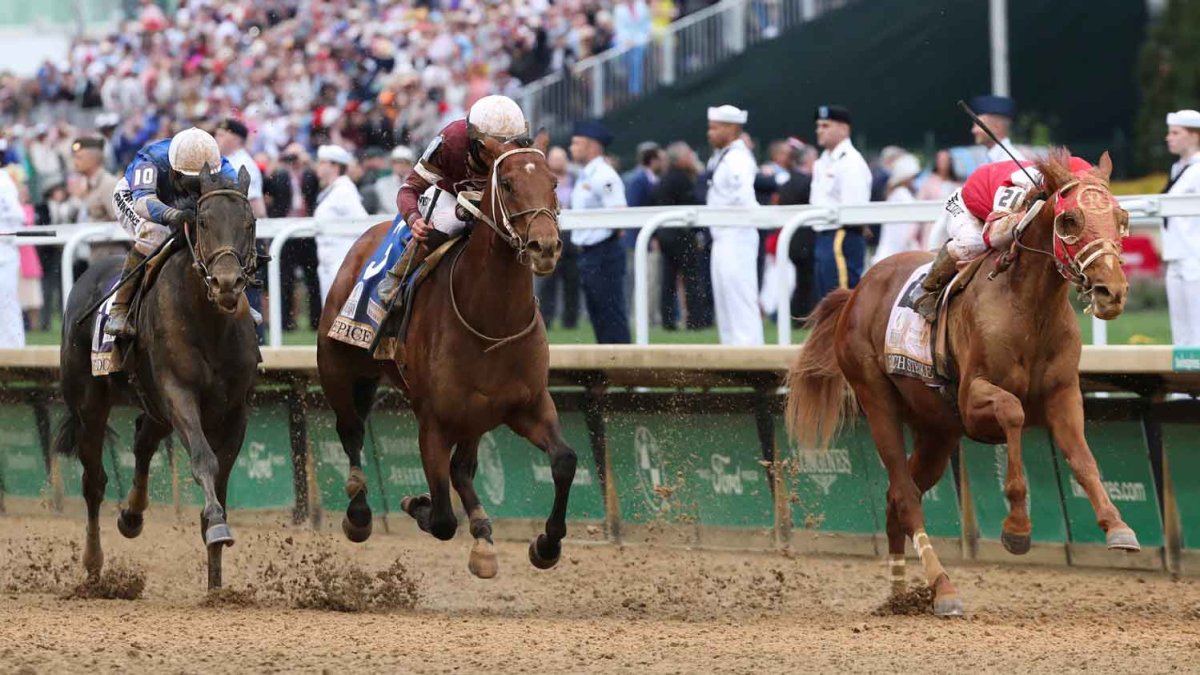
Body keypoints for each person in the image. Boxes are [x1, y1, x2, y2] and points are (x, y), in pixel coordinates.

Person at [376, 95, 532, 307]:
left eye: (509, 147)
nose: (498, 156)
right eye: (491, 149)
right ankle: (396, 277)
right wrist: (414, 218)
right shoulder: (451, 140)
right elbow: (409, 188)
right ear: (473, 141)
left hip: (495, 202)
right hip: (451, 197)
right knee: (452, 221)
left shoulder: (524, 152)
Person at [912, 155, 1094, 322]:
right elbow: (993, 235)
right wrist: (1030, 213)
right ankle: (926, 288)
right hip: (966, 207)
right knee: (973, 243)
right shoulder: (1021, 185)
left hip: (996, 202)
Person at [105, 127, 239, 338]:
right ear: (174, 173)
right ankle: (120, 307)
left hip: (179, 203)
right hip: (135, 196)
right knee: (153, 233)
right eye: (193, 181)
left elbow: (232, 204)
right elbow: (143, 204)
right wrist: (173, 215)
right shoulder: (150, 160)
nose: (197, 187)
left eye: (204, 180)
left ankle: (232, 294)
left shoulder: (222, 166)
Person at [705, 104, 763, 345]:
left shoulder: (737, 158)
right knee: (725, 299)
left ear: (732, 128)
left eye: (715, 128)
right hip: (722, 235)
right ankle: (732, 359)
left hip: (736, 234)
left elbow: (745, 196)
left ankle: (752, 357)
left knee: (739, 297)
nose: (709, 133)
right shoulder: (723, 156)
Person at [569, 119, 631, 344]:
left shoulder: (604, 175)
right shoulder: (587, 174)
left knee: (610, 311)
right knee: (597, 312)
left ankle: (624, 368)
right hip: (589, 253)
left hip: (604, 252)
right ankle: (608, 366)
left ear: (592, 146)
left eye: (577, 143)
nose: (571, 147)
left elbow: (618, 214)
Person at [810, 105, 872, 302]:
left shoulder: (850, 162)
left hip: (842, 236)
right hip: (824, 235)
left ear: (844, 129)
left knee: (840, 300)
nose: (819, 130)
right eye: (818, 125)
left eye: (826, 125)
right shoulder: (823, 161)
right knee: (826, 300)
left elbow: (853, 209)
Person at [653, 141, 711, 330]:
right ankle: (695, 320)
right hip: (681, 236)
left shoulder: (664, 178)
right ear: (679, 159)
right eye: (688, 155)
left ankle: (668, 321)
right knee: (692, 278)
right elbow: (692, 204)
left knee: (668, 280)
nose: (691, 158)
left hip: (665, 236)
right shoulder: (682, 178)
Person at [264, 144, 321, 332]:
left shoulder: (310, 175)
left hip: (307, 231)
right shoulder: (280, 176)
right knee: (284, 279)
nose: (294, 162)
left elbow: (319, 183)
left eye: (295, 158)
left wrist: (308, 162)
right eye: (291, 158)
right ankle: (285, 322)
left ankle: (316, 320)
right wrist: (277, 163)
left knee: (312, 278)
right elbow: (266, 187)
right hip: (285, 231)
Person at [1162, 109, 1200, 346]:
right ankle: (1184, 381)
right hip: (1176, 255)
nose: (1169, 137)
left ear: (1194, 135)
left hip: (1195, 256)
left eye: (1176, 133)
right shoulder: (1178, 169)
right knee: (1181, 332)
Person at [313, 144, 369, 299]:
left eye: (322, 162)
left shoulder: (344, 191)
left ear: (335, 166)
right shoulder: (334, 190)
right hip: (329, 263)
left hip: (341, 262)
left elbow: (362, 225)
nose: (318, 166)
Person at [537, 146, 581, 330]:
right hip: (550, 236)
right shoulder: (541, 181)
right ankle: (546, 318)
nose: (558, 162)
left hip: (573, 238)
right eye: (555, 159)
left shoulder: (576, 180)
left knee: (573, 281)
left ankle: (570, 321)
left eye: (561, 158)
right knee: (548, 281)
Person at [873, 153, 923, 263]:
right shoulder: (901, 193)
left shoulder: (897, 192)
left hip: (897, 243)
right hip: (898, 243)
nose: (913, 180)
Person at [214, 118, 265, 218]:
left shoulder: (244, 165)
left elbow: (255, 206)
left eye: (221, 135)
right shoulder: (224, 161)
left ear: (235, 139)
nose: (216, 139)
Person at [0, 164, 23, 347]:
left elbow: (17, 217)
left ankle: (14, 353)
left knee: (6, 304)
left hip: (4, 255)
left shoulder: (3, 180)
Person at [969, 95, 1026, 164]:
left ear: (997, 127)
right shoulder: (988, 159)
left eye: (979, 126)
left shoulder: (1011, 161)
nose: (973, 131)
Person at [371, 145, 415, 216]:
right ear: (392, 164)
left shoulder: (417, 184)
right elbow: (387, 205)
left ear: (410, 165)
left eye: (405, 163)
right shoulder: (381, 183)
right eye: (397, 162)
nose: (401, 166)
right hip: (385, 221)